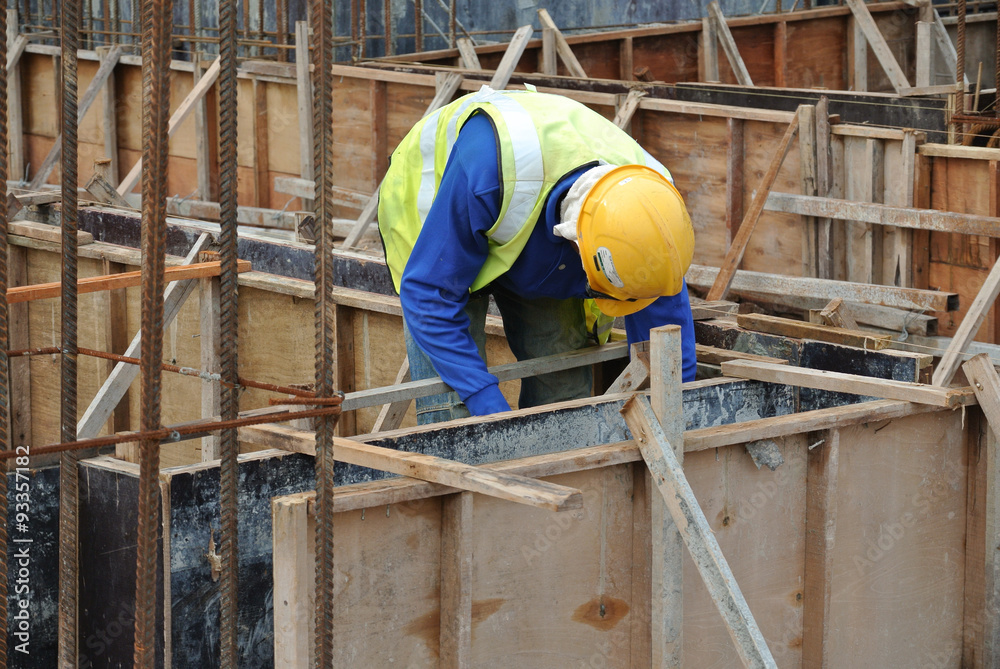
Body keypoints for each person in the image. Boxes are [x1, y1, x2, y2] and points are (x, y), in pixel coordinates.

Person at [378, 85, 696, 425]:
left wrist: (676, 408)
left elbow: (664, 325)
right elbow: (429, 294)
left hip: (523, 224)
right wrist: (486, 404)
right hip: (438, 228)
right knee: (453, 416)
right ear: (575, 244)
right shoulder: (488, 173)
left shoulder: (651, 213)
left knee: (563, 395)